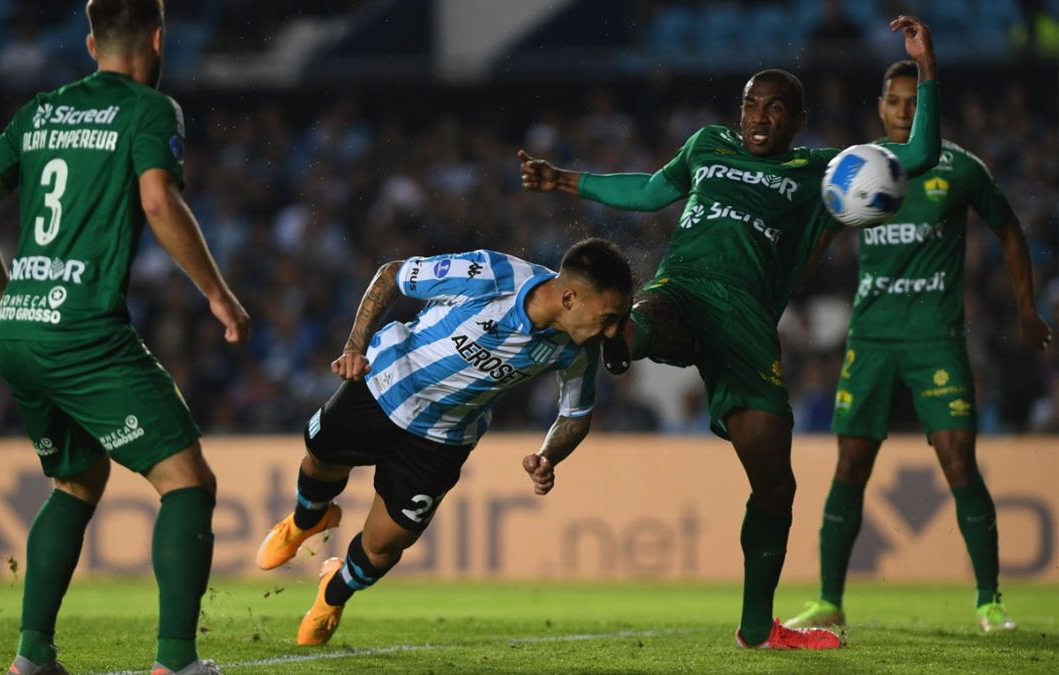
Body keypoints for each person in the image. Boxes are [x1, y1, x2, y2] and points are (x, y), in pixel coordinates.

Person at [517, 14, 940, 651]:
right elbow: (651, 190)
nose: (760, 117)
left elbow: (919, 155)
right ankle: (622, 337)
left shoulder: (819, 169)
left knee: (776, 484)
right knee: (656, 313)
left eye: (776, 108)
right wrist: (566, 179)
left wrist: (926, 67)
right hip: (685, 286)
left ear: (797, 121)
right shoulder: (708, 145)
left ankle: (756, 629)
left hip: (748, 325)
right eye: (751, 104)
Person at [0, 2, 250, 673]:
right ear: (157, 38)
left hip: (20, 330)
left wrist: (8, 295)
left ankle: (31, 655)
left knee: (77, 481)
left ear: (90, 44)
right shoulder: (149, 109)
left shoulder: (41, 111)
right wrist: (216, 291)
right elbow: (155, 200)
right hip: (83, 330)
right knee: (187, 482)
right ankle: (176, 660)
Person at [255, 239, 633, 646]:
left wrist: (548, 456)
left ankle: (333, 592)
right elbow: (392, 275)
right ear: (570, 297)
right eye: (608, 318)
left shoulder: (577, 350)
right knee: (320, 458)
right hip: (387, 381)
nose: (611, 331)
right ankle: (306, 522)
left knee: (384, 547)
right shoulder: (492, 275)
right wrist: (354, 347)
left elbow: (575, 415)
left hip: (442, 439)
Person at [785, 60, 1053, 633]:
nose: (904, 110)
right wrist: (782, 293)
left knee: (958, 462)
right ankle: (830, 599)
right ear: (879, 106)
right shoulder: (855, 169)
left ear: (927, 107)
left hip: (937, 340)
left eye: (914, 100)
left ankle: (988, 600)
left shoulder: (959, 169)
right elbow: (818, 235)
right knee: (850, 464)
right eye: (894, 100)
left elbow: (1008, 227)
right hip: (871, 340)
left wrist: (1026, 308)